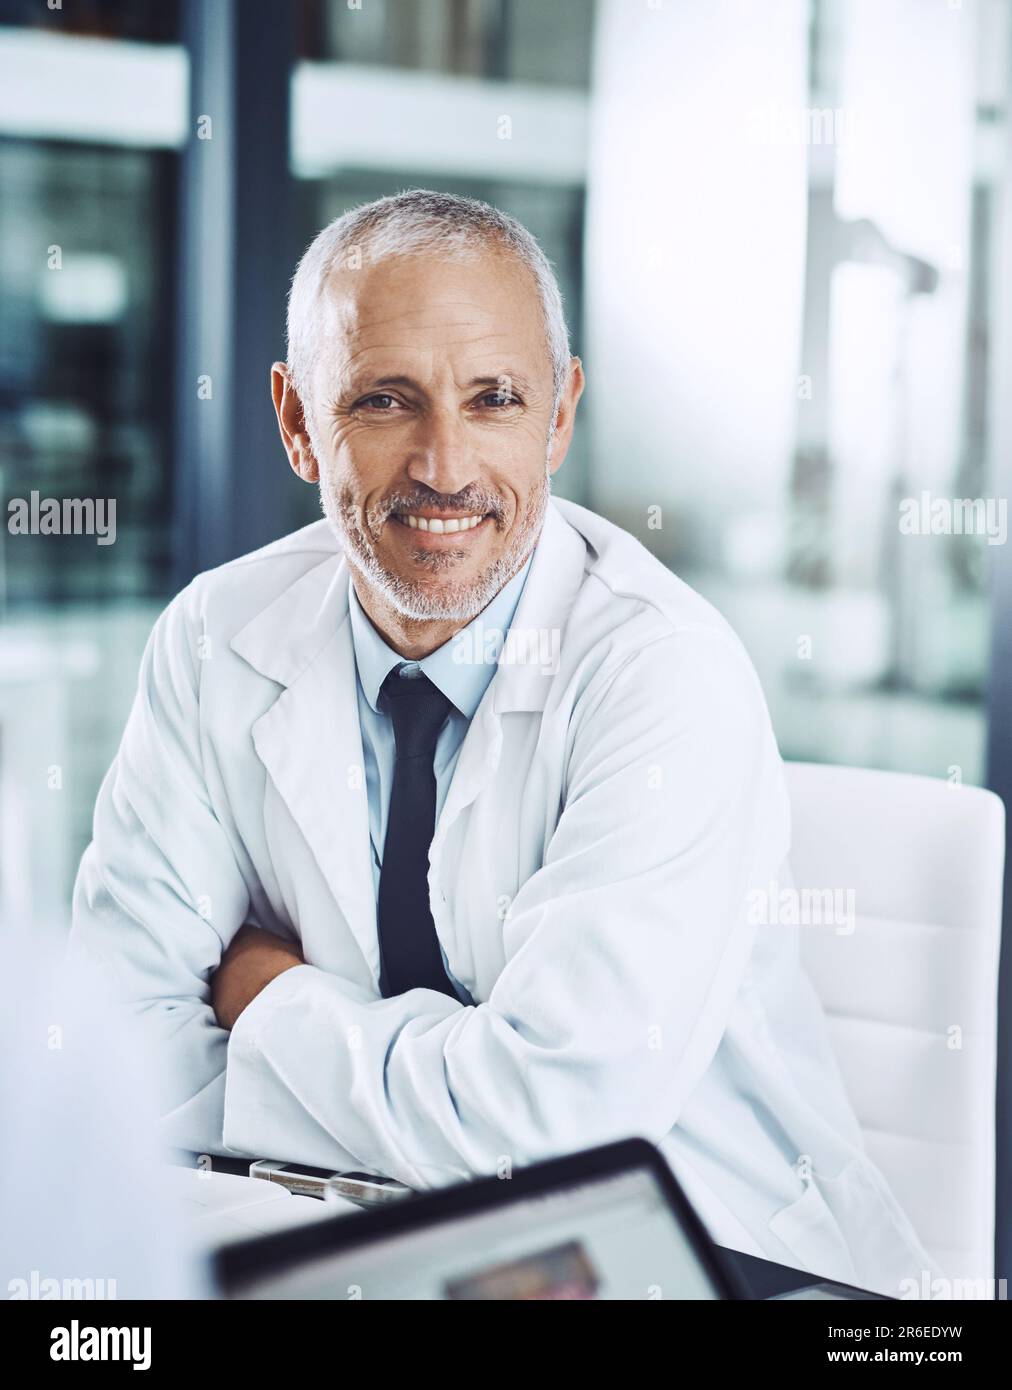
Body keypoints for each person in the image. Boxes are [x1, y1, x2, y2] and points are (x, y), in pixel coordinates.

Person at [70, 189, 935, 1296]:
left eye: (494, 399)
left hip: (709, 1256)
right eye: (385, 400)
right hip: (341, 1239)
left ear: (560, 415)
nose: (444, 464)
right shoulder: (211, 638)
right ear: (295, 423)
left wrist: (265, 996)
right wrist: (433, 1109)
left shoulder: (664, 672)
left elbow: (556, 1140)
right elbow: (115, 1049)